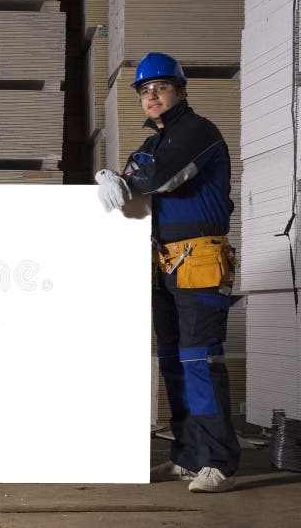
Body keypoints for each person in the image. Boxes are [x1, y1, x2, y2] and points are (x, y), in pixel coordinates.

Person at [95, 52, 240, 493]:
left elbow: (155, 177)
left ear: (180, 90)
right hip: (166, 267)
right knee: (175, 364)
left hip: (199, 263)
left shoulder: (198, 131)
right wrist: (109, 174)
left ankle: (218, 462)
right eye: (144, 90)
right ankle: (188, 457)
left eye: (160, 87)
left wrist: (124, 178)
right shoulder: (155, 140)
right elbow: (129, 176)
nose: (151, 95)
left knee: (200, 361)